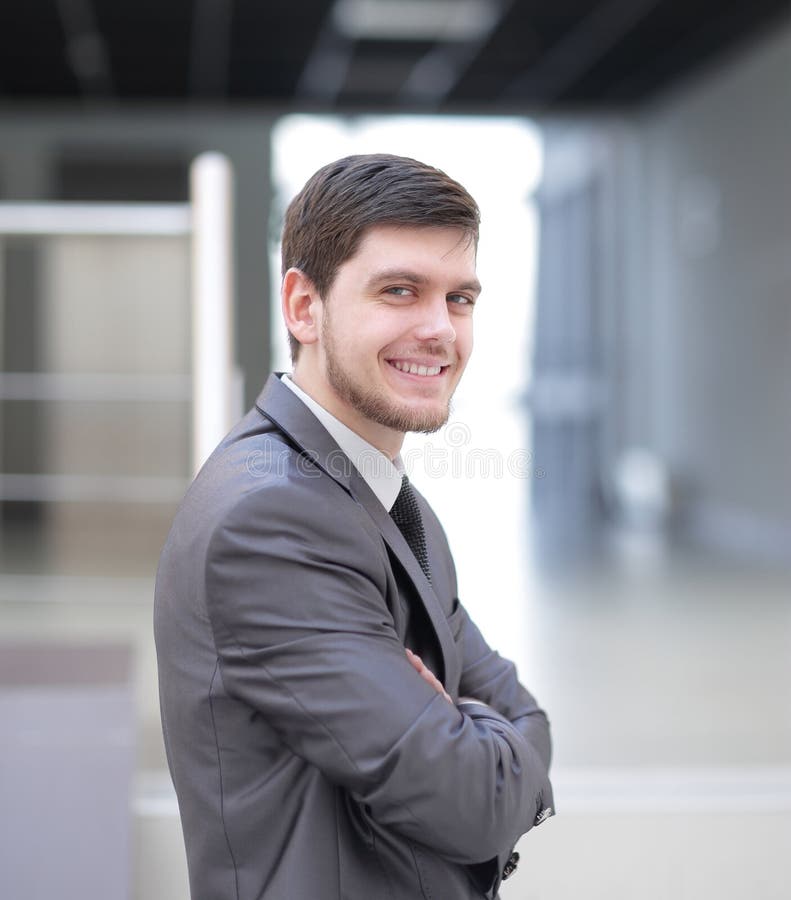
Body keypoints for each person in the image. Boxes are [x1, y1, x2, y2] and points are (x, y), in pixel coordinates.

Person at [154, 153, 554, 900]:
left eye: (460, 299)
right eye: (399, 291)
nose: (439, 329)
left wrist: (469, 726)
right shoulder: (271, 519)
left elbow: (524, 711)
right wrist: (479, 735)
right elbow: (479, 803)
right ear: (303, 307)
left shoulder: (377, 498)